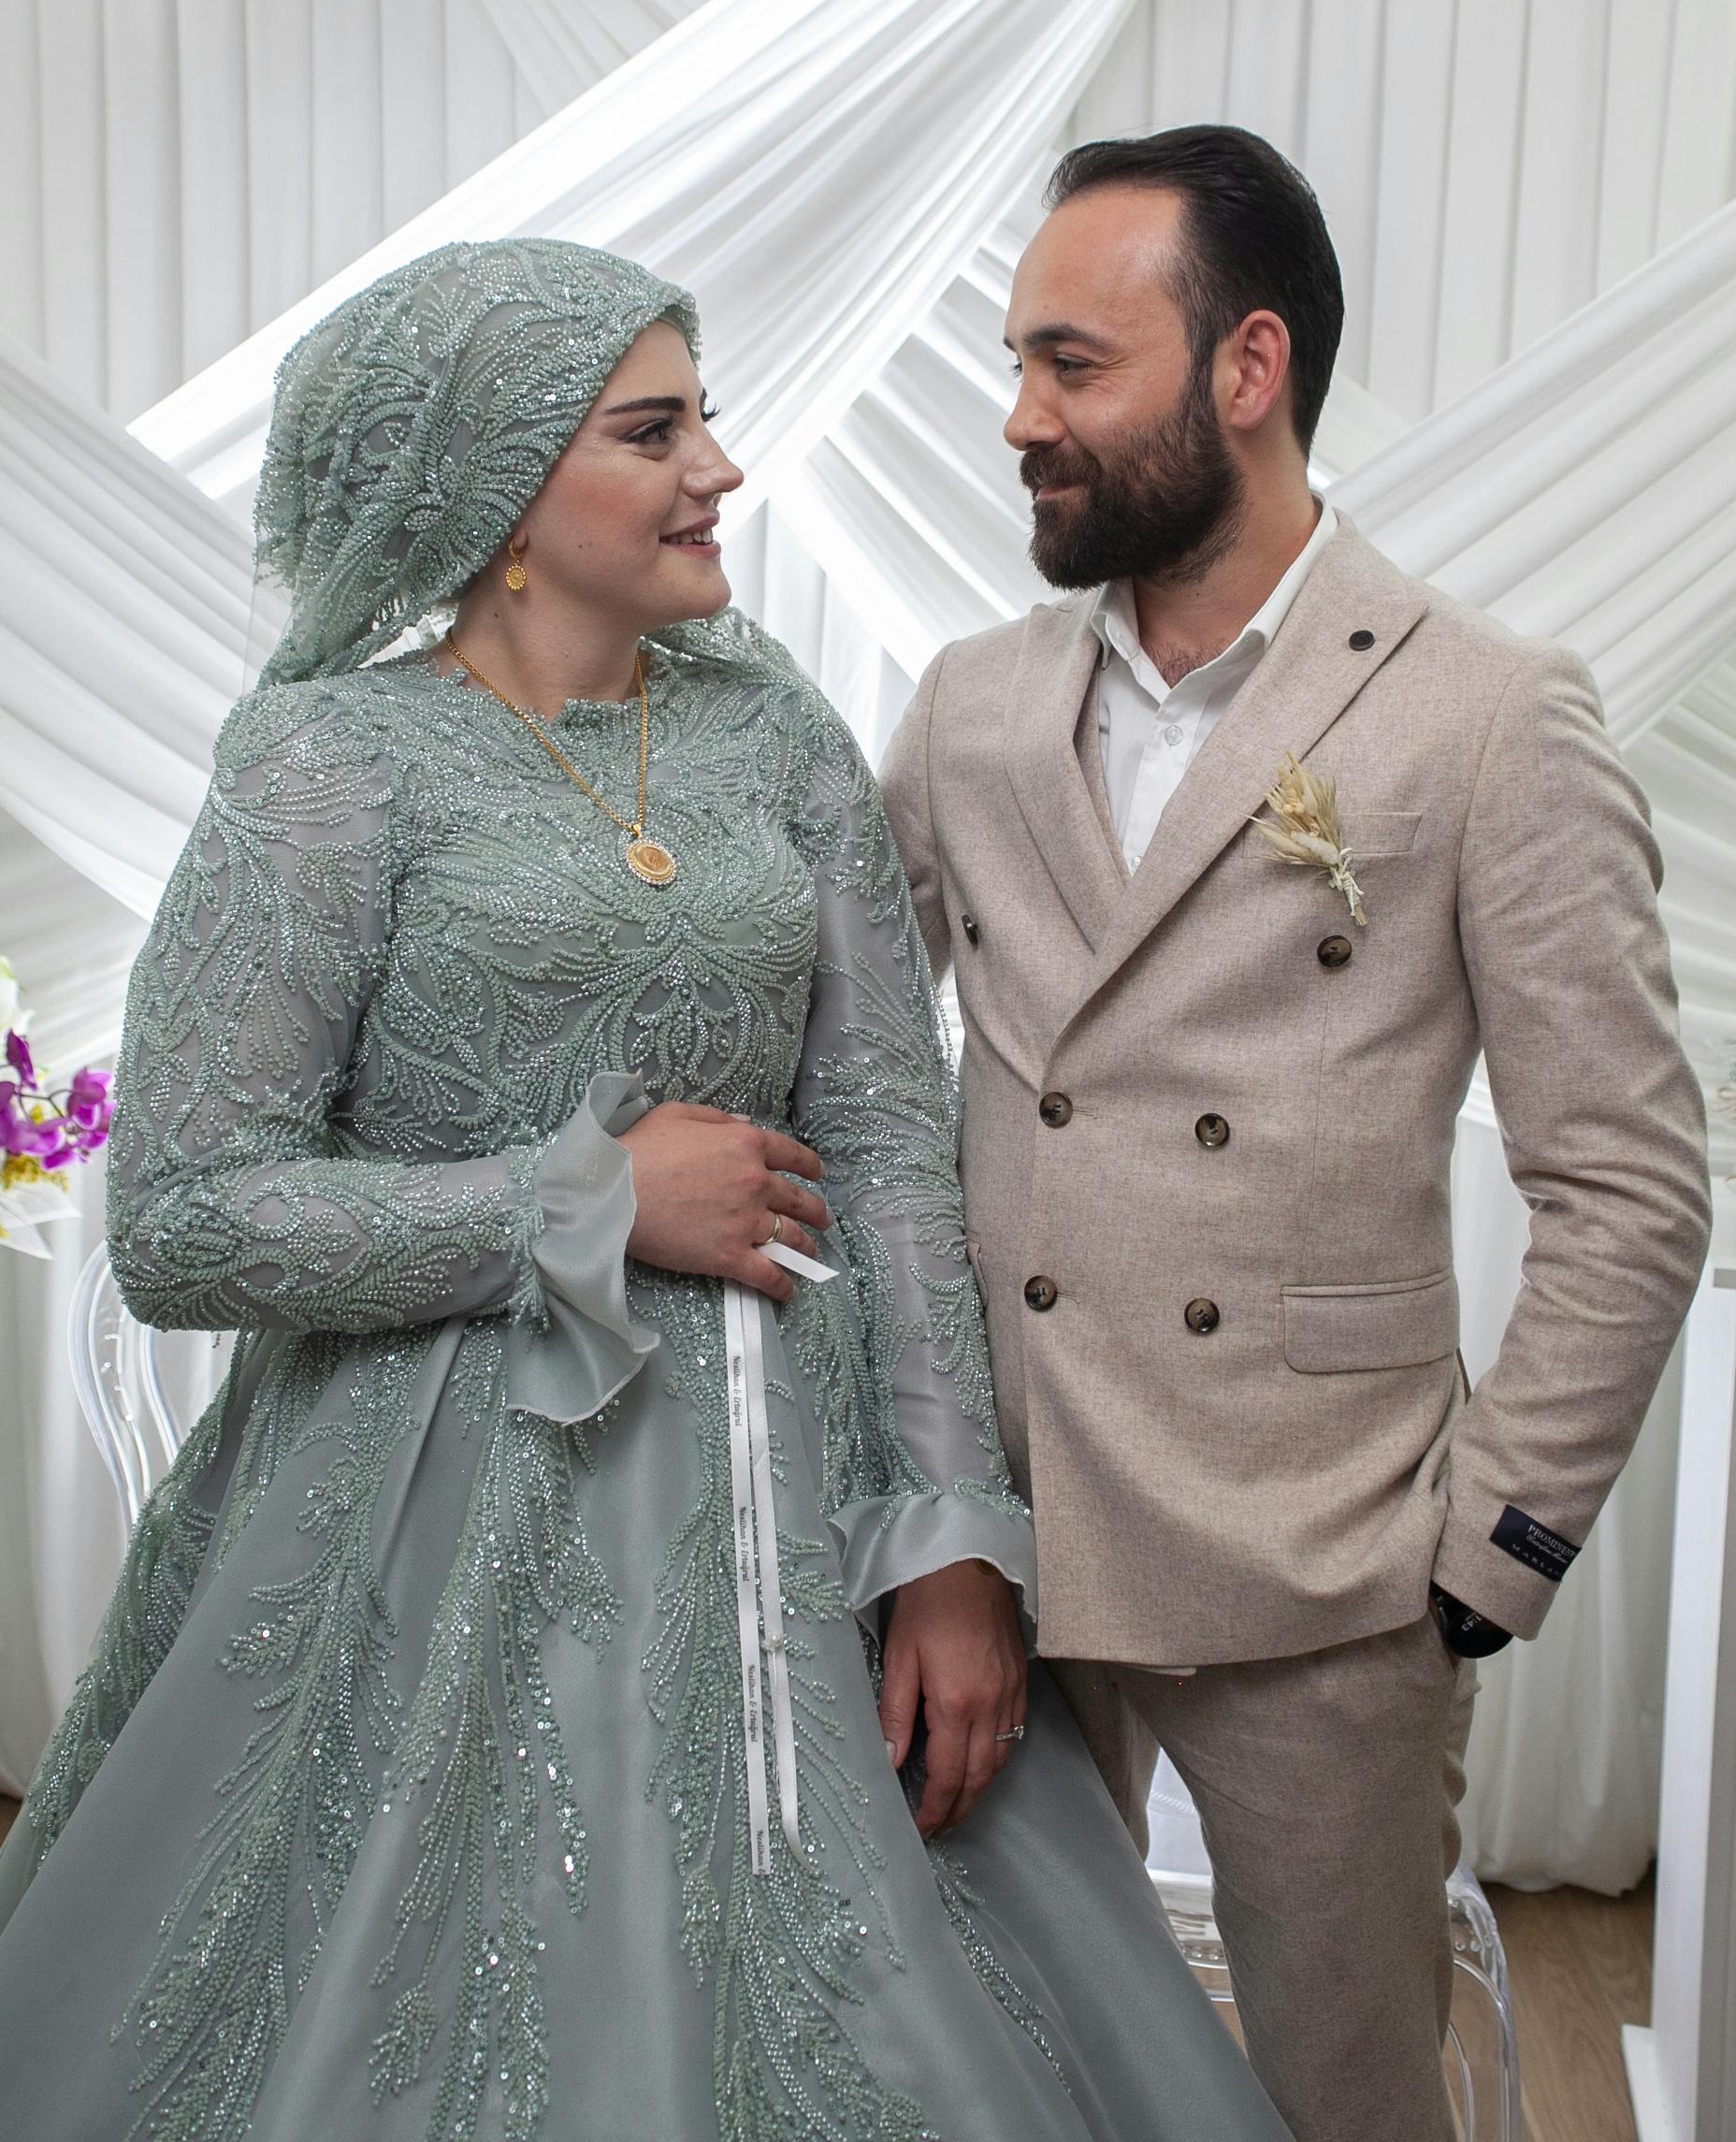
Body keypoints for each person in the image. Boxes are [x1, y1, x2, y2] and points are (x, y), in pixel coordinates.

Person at [0, 238, 1288, 2142]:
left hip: (798, 1504)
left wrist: (948, 1539)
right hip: (412, 1519)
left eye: (707, 418)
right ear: (498, 489)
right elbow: (188, 1213)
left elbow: (888, 1146)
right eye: (654, 429)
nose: (720, 471)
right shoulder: (329, 766)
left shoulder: (775, 736)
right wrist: (577, 1200)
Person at [880, 126, 1712, 2142]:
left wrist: (1477, 1559)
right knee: (989, 2080)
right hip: (1006, 1550)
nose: (1018, 420)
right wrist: (917, 1519)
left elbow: (1627, 1180)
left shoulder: (1489, 714)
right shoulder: (968, 709)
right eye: (1017, 364)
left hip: (1329, 1577)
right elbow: (866, 1102)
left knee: (1349, 2102)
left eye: (1071, 365)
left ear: (1245, 370)